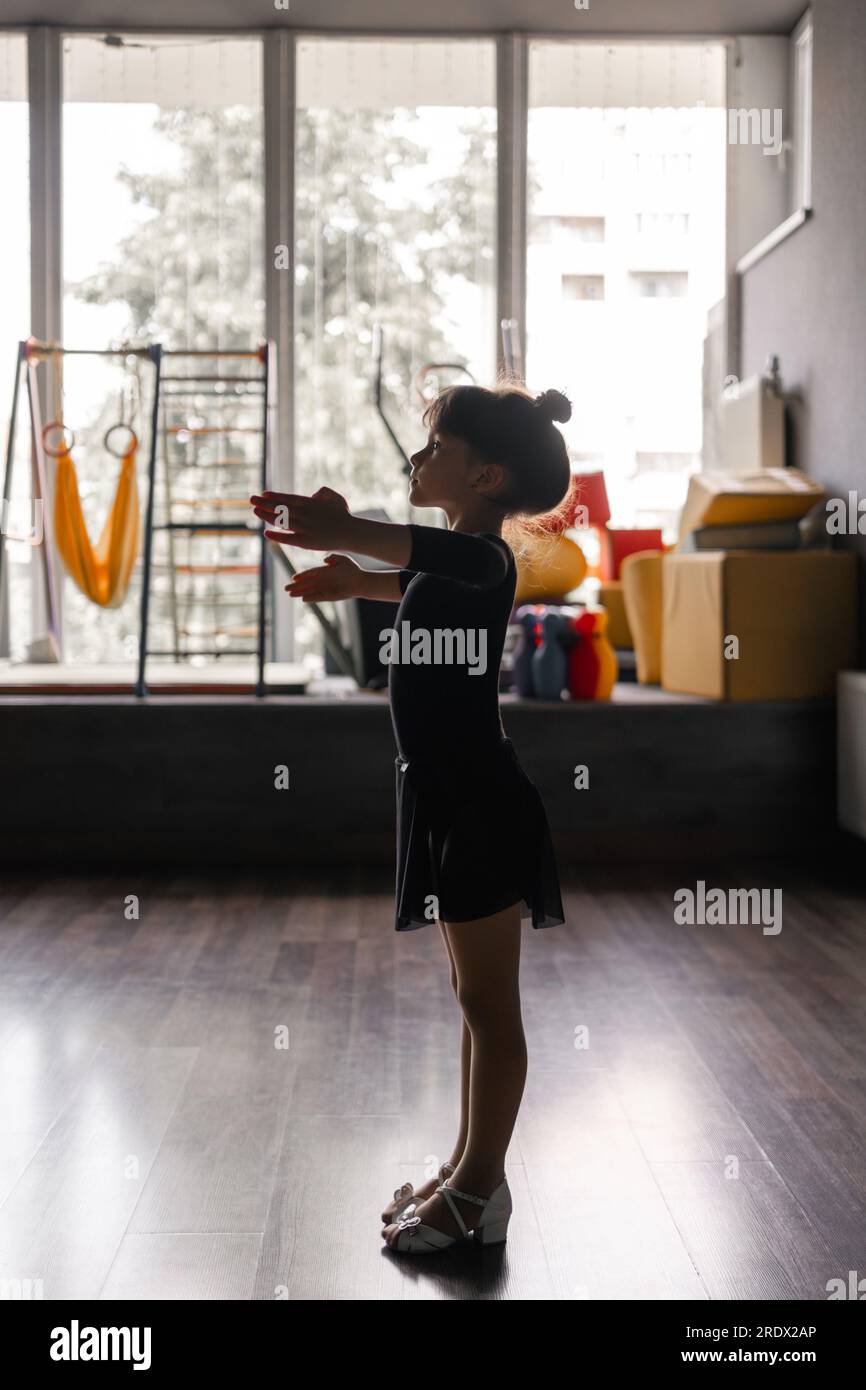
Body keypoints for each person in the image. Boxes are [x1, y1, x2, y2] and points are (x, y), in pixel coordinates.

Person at [251, 381, 571, 1254]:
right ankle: (468, 1166)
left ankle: (480, 1192)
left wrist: (342, 532)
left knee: (490, 1007)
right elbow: (421, 577)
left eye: (436, 451)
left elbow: (432, 559)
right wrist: (360, 578)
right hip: (443, 793)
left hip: (479, 801)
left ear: (488, 474)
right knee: (473, 1003)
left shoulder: (488, 555)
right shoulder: (455, 558)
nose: (418, 461)